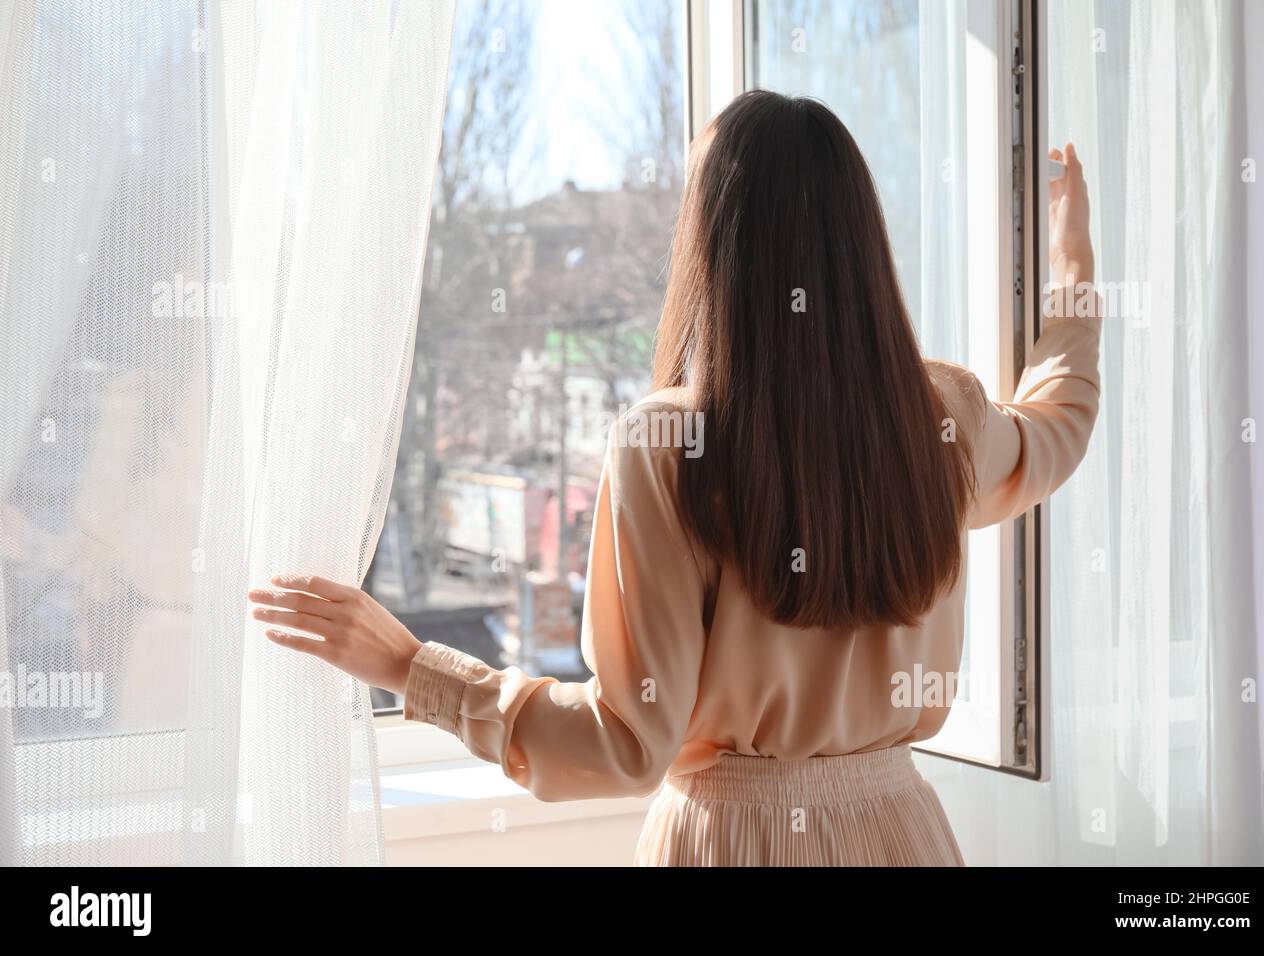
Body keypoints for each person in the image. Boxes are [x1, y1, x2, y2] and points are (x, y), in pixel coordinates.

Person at [248, 90, 1100, 866]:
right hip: (903, 836)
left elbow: (628, 743)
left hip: (730, 845)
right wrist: (1073, 283)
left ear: (713, 243)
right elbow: (1057, 431)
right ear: (858, 244)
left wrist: (412, 667)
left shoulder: (668, 444)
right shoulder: (939, 421)